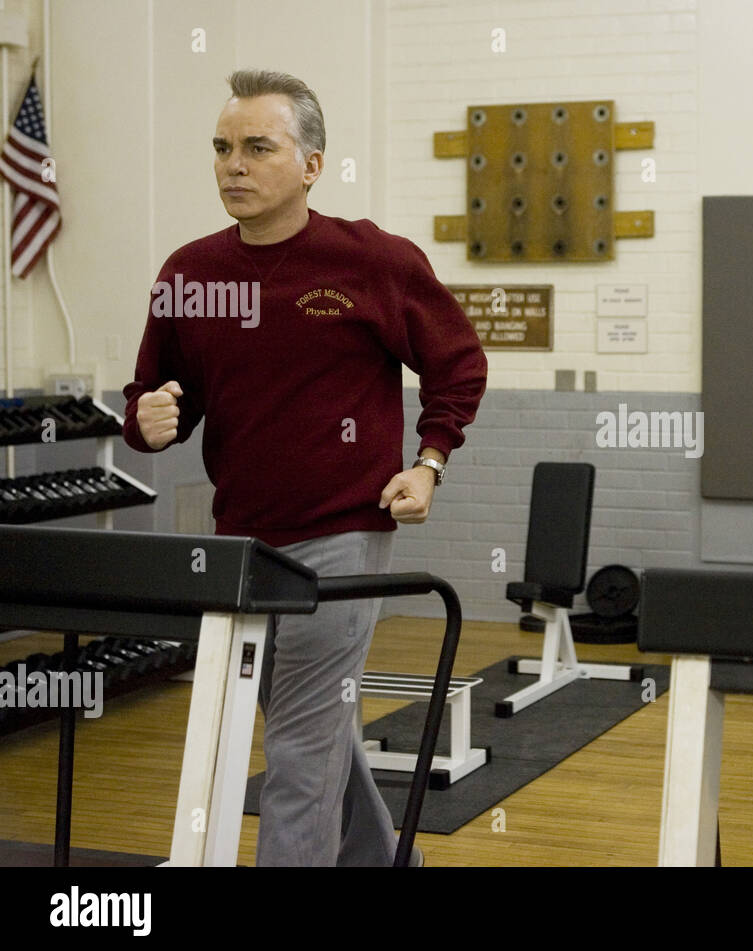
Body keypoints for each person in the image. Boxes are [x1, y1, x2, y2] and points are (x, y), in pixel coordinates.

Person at [122, 69, 487, 866]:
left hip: (343, 537)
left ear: (312, 164)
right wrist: (148, 422)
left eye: (257, 147)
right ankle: (384, 860)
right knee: (312, 729)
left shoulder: (372, 262)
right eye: (222, 148)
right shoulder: (189, 275)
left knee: (293, 753)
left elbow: (458, 366)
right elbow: (153, 398)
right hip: (241, 544)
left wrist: (428, 464)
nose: (233, 166)